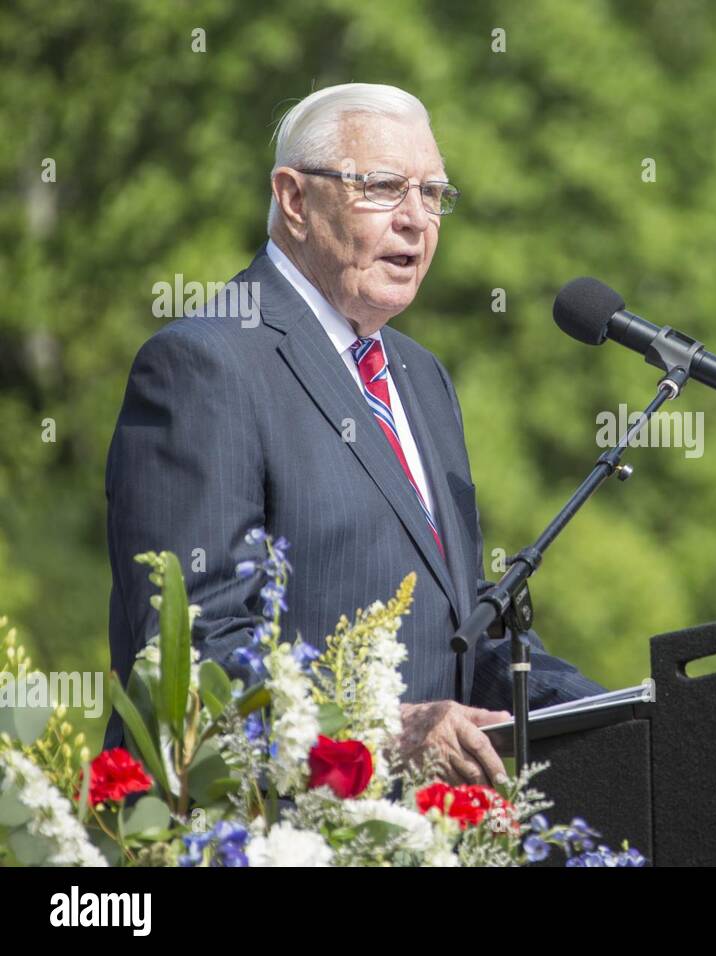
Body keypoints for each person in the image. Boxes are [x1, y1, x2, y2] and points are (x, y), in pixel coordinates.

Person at [105, 83, 604, 785]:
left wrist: (626, 716)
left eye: (434, 194)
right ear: (296, 200)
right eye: (384, 187)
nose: (416, 220)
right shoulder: (205, 364)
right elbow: (192, 655)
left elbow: (462, 635)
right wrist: (384, 730)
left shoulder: (421, 376)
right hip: (255, 828)